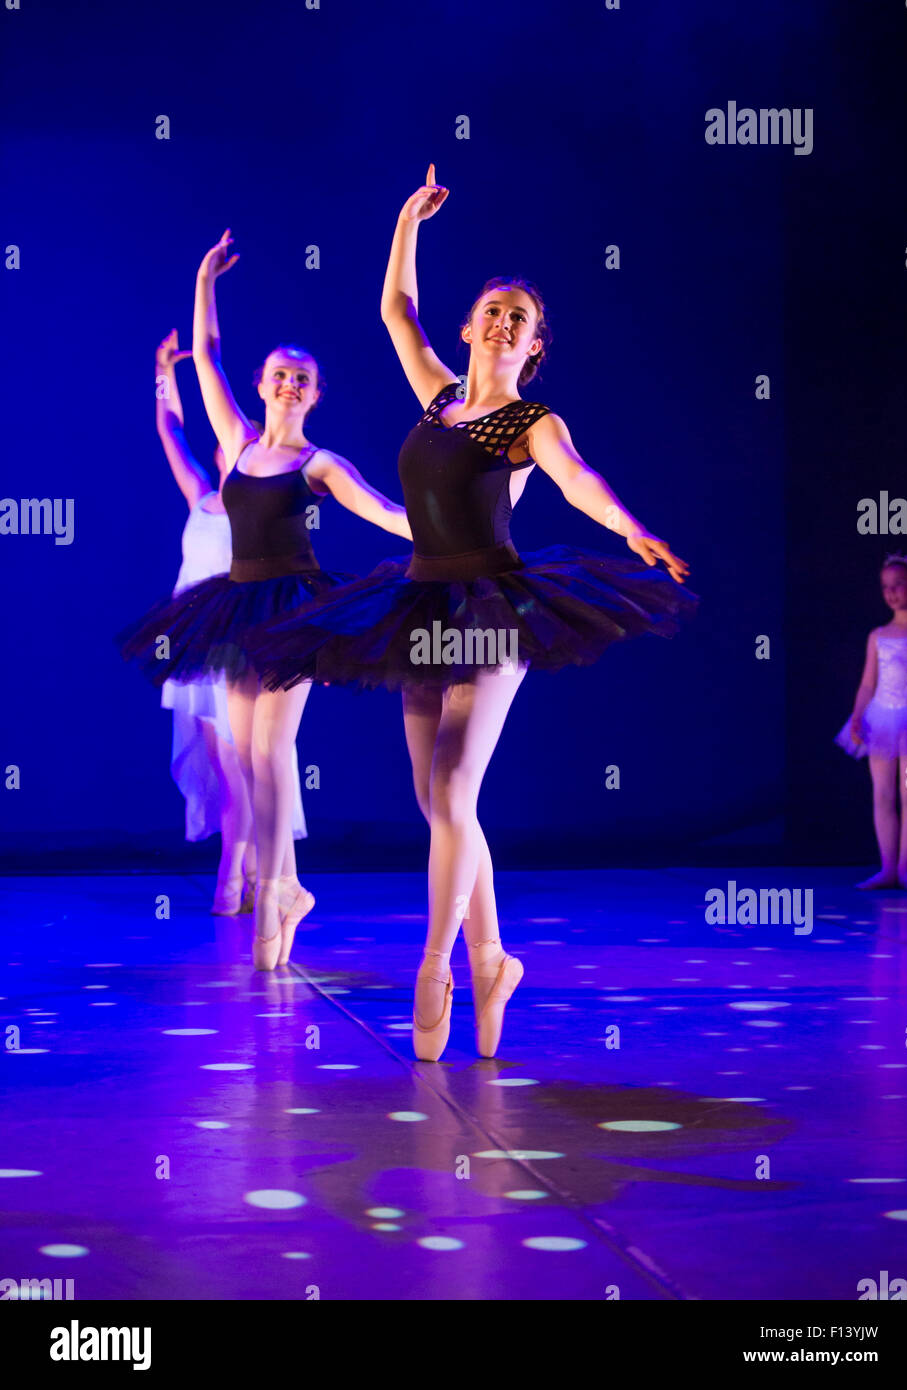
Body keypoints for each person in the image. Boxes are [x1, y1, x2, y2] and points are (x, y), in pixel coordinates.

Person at [250, 167, 698, 1060]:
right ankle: (495, 957)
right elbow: (394, 311)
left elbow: (580, 483)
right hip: (416, 598)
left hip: (494, 603)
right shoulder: (439, 396)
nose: (501, 323)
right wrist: (406, 220)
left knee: (455, 791)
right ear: (471, 328)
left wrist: (633, 527)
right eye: (491, 311)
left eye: (518, 319)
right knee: (433, 798)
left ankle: (436, 967)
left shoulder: (531, 420)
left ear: (535, 346)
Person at [121, 231, 412, 968]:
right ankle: (285, 886)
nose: (289, 384)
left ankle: (280, 886)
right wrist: (203, 279)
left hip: (293, 611)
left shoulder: (320, 462)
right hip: (235, 605)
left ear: (315, 395)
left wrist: (441, 528)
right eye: (280, 374)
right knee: (247, 757)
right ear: (264, 383)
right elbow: (208, 356)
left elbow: (380, 510)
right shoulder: (239, 443)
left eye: (301, 379)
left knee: (274, 748)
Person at [154, 328, 307, 916]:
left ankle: (239, 877)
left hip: (246, 637)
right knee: (227, 762)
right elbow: (169, 426)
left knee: (249, 759)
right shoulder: (198, 494)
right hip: (200, 641)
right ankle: (244, 869)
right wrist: (162, 369)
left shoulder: (262, 497)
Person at [835, 553, 907, 890]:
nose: (891, 592)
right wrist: (858, 716)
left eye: (898, 585)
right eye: (886, 587)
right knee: (883, 794)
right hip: (880, 723)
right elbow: (867, 683)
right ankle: (887, 868)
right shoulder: (877, 635)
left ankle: (905, 869)